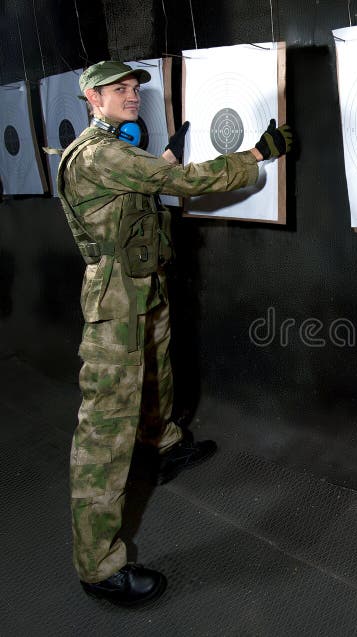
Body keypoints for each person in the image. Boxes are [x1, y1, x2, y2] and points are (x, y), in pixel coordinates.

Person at [57, 60, 292, 607]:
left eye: (134, 87)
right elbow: (183, 183)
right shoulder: (100, 153)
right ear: (93, 98)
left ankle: (161, 447)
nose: (131, 95)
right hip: (116, 300)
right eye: (119, 89)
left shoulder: (116, 150)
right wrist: (257, 154)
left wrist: (157, 160)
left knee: (157, 372)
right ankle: (98, 566)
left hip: (141, 286)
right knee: (104, 433)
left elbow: (131, 191)